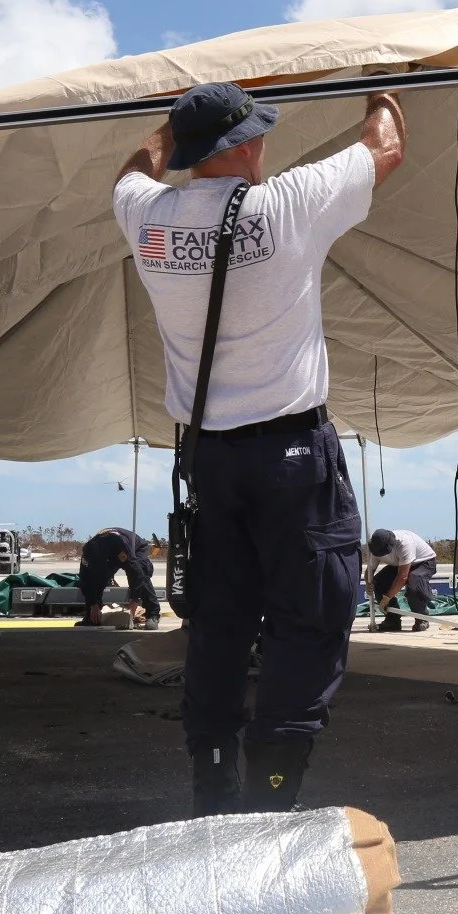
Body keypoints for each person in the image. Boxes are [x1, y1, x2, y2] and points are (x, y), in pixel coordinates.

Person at [112, 79, 406, 815]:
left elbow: (131, 169)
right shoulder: (286, 203)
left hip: (209, 460)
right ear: (245, 145)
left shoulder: (144, 217)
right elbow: (386, 147)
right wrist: (384, 92)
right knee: (310, 615)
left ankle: (212, 781)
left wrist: (167, 129)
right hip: (292, 456)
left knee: (218, 620)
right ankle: (273, 790)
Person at [77, 526, 162, 629]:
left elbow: (135, 573)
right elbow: (86, 581)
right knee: (98, 579)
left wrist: (134, 600)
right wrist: (93, 605)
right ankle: (92, 616)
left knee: (142, 571)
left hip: (134, 547)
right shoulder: (88, 554)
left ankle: (153, 614)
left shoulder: (119, 547)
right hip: (109, 555)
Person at [365, 528, 437, 632]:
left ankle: (422, 618)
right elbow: (370, 570)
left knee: (414, 582)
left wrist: (387, 597)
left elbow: (402, 576)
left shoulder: (404, 544)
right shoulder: (376, 548)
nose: (382, 555)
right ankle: (393, 620)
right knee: (378, 582)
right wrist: (369, 583)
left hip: (423, 562)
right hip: (398, 564)